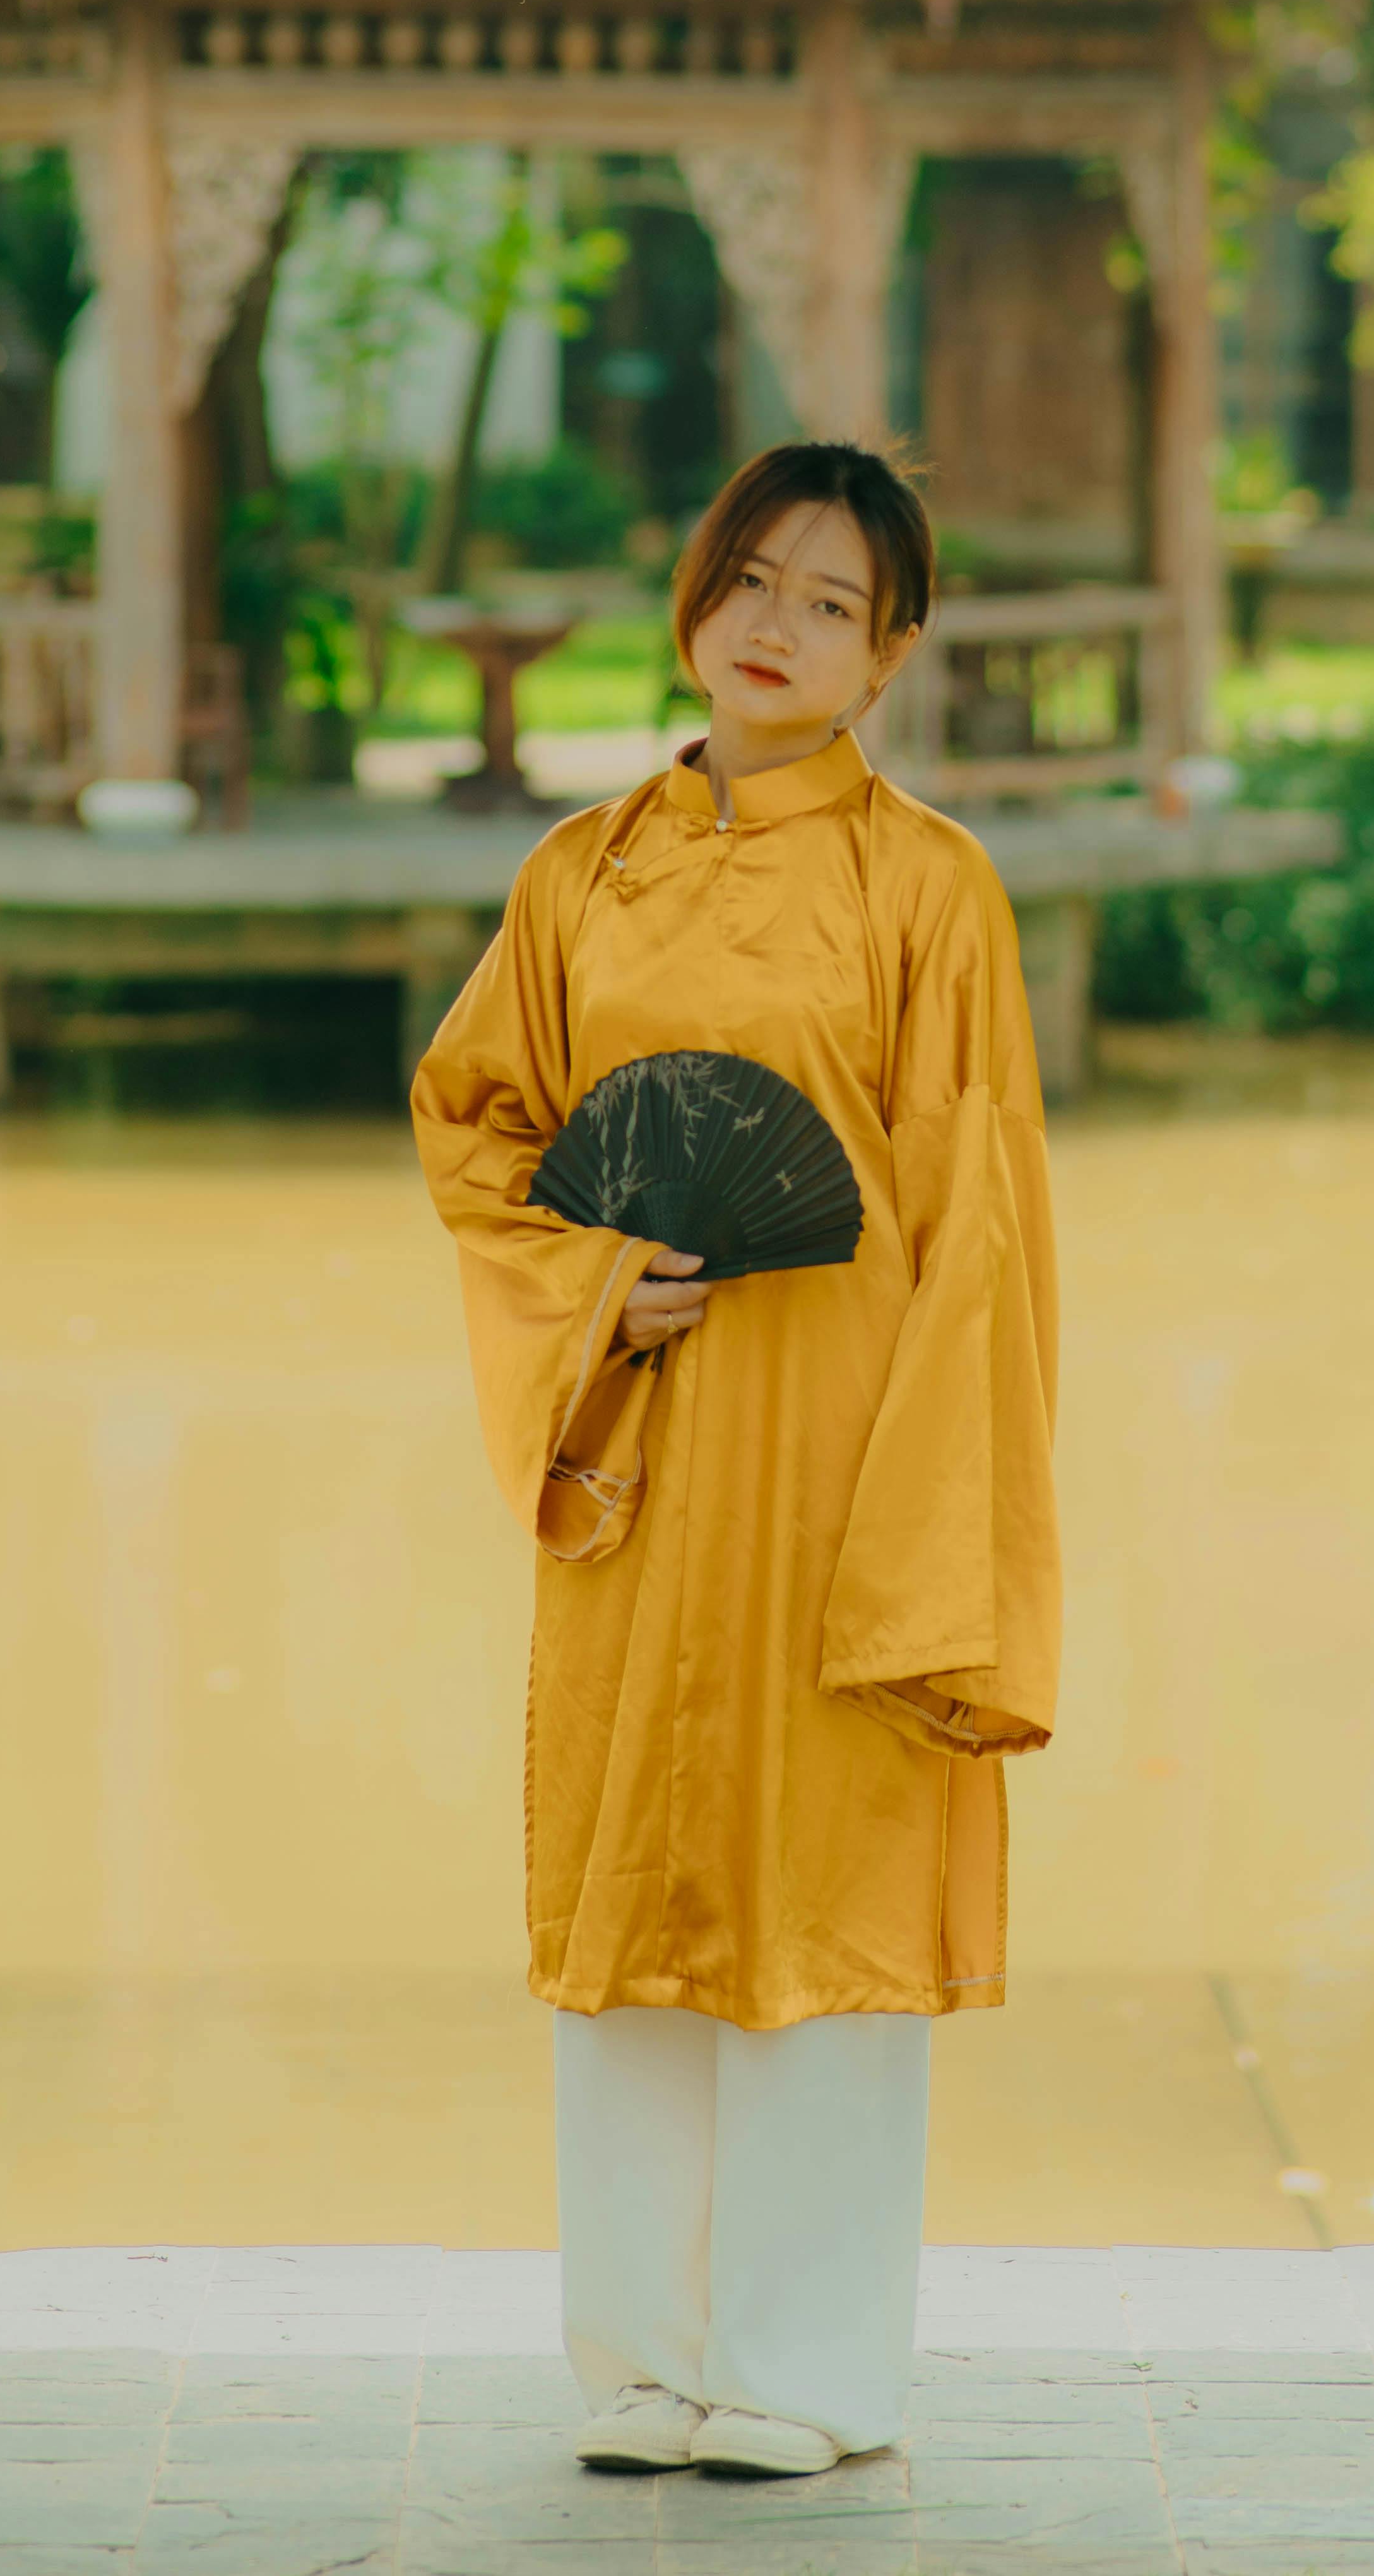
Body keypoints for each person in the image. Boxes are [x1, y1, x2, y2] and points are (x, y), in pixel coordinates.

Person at [410, 439, 1062, 2483]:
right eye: (748, 582)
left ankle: (802, 2372)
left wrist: (942, 1515)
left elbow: (980, 1219)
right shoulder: (577, 871)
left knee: (826, 1887)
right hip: (646, 1453)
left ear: (891, 659)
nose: (775, 627)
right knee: (636, 1884)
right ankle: (645, 2365)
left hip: (852, 1454)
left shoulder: (924, 883)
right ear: (693, 601)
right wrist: (600, 1280)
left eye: (830, 604)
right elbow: (477, 1127)